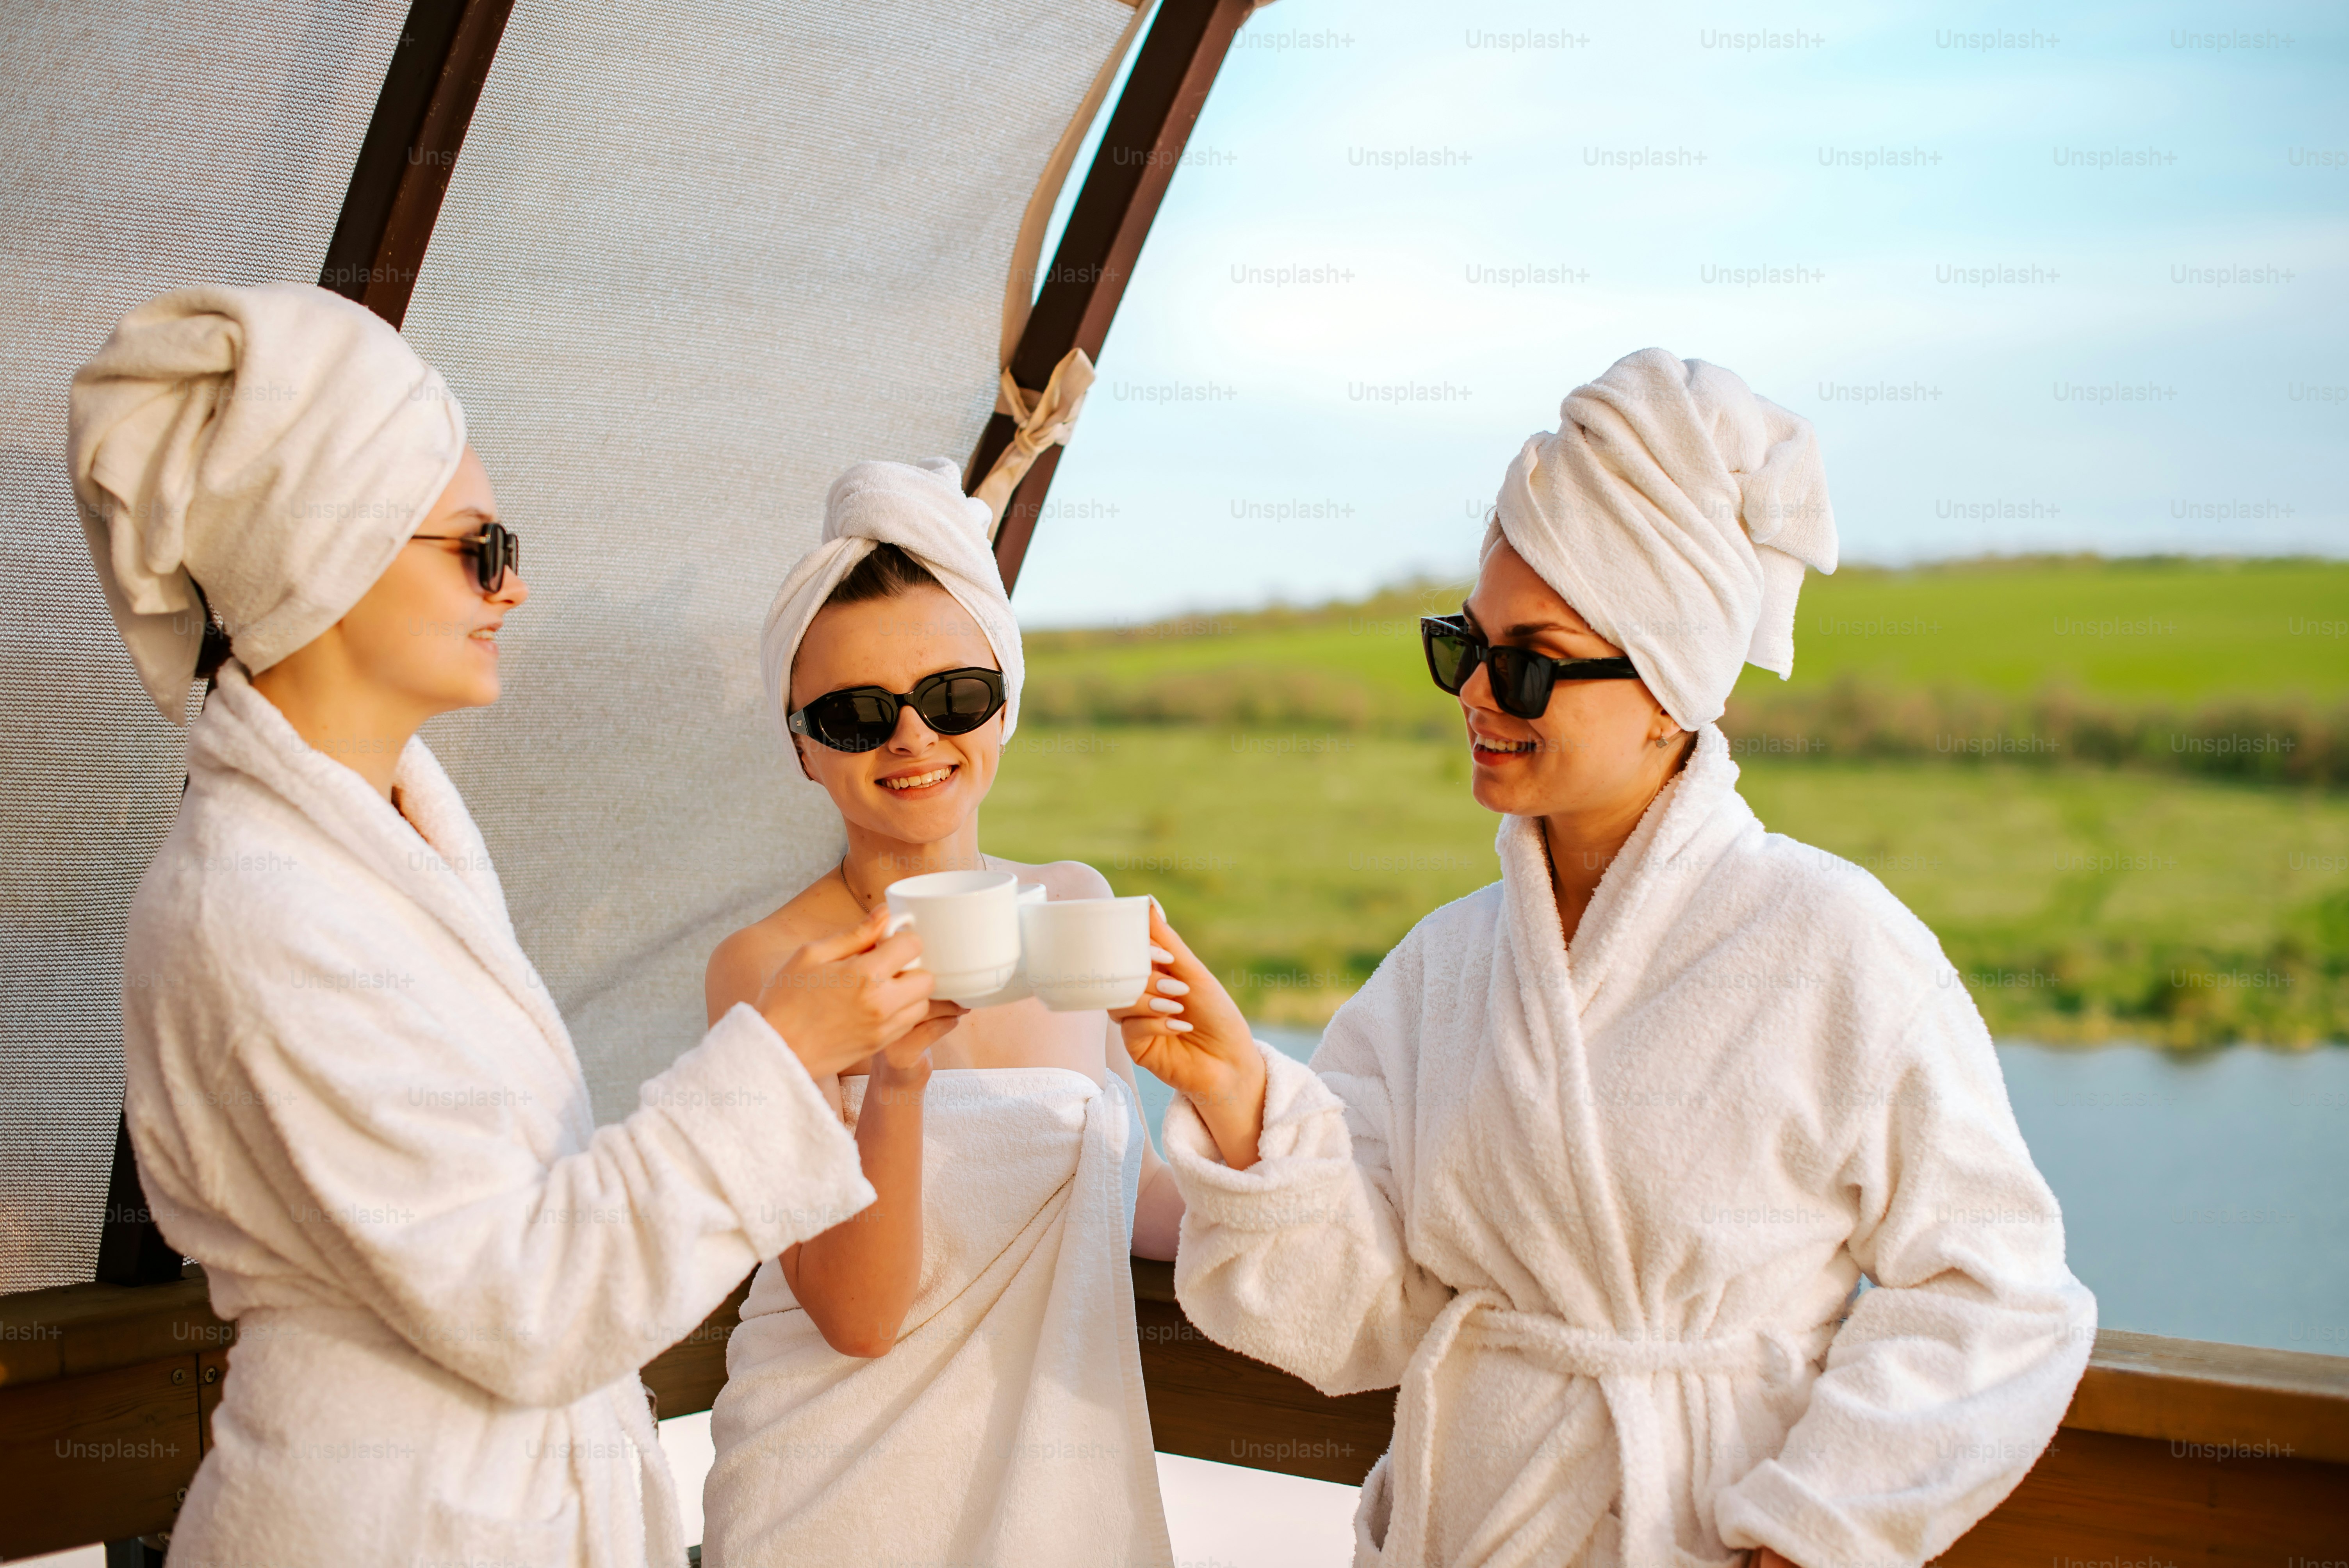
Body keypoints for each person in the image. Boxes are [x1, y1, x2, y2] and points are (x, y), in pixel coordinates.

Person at [1120, 349, 2098, 1568]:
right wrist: (1234, 1090)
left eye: (1527, 661)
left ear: (1672, 687)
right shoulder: (1445, 973)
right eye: (1459, 645)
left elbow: (1997, 1293)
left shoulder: (1835, 946)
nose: (1476, 689)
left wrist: (1810, 1537)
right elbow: (1362, 1317)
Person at [71, 283, 957, 1568]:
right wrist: (780, 1059)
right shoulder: (251, 907)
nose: (518, 587)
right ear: (337, 544)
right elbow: (522, 1299)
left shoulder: (385, 843)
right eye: (480, 547)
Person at [697, 458, 1181, 1567]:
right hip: (837, 1499)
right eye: (858, 716)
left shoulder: (1074, 905)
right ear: (802, 746)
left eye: (953, 697)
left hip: (1054, 1499)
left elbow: (1135, 1194)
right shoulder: (766, 967)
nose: (913, 740)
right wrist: (899, 1080)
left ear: (1003, 707)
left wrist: (1252, 1126)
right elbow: (858, 1316)